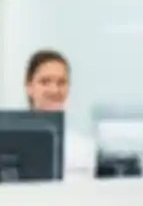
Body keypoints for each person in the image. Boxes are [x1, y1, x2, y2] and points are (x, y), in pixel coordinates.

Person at [24, 49, 98, 181]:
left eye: (61, 82)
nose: (54, 90)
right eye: (45, 82)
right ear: (29, 87)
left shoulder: (83, 147)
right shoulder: (14, 141)